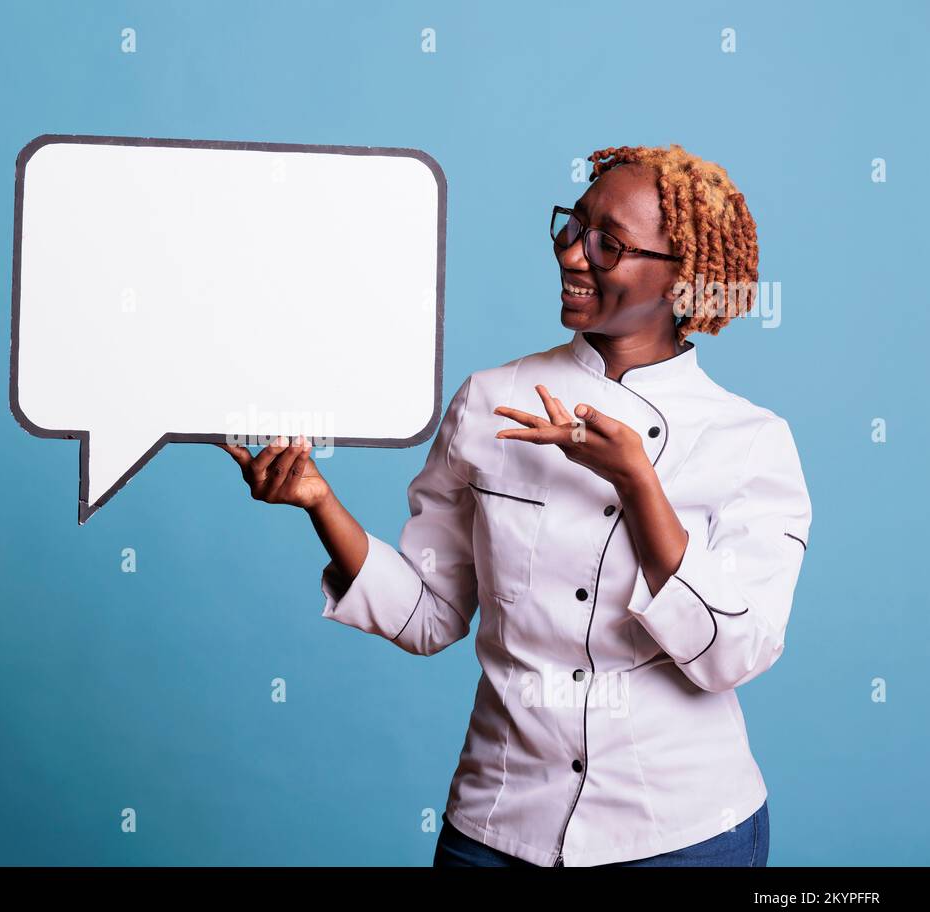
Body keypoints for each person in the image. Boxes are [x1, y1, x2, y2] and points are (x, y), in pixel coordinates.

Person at [218, 144, 810, 867]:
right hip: (499, 827)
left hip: (680, 837)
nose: (572, 253)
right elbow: (429, 614)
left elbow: (731, 657)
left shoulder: (748, 441)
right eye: (573, 226)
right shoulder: (489, 400)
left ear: (682, 277)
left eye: (609, 243)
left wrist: (638, 484)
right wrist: (318, 501)